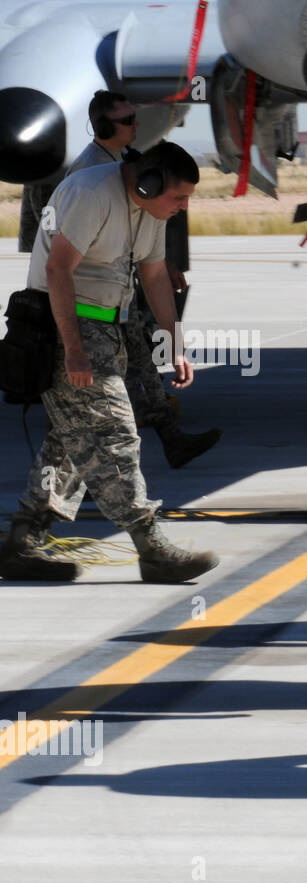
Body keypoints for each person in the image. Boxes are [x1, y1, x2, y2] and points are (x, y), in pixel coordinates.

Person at [0, 142, 219, 584]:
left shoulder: (149, 211)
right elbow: (59, 271)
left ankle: (22, 542)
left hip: (109, 327)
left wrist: (174, 344)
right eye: (178, 198)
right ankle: (150, 544)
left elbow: (155, 275)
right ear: (148, 182)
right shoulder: (92, 193)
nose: (182, 208)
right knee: (116, 433)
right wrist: (75, 348)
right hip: (66, 327)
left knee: (68, 444)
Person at [59, 91, 222, 469]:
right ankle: (107, 479)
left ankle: (170, 439)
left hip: (120, 294)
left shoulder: (133, 165)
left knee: (144, 365)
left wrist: (161, 265)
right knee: (100, 398)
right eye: (128, 120)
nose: (136, 126)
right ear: (103, 126)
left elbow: (138, 227)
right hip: (90, 303)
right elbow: (66, 257)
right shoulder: (89, 173)